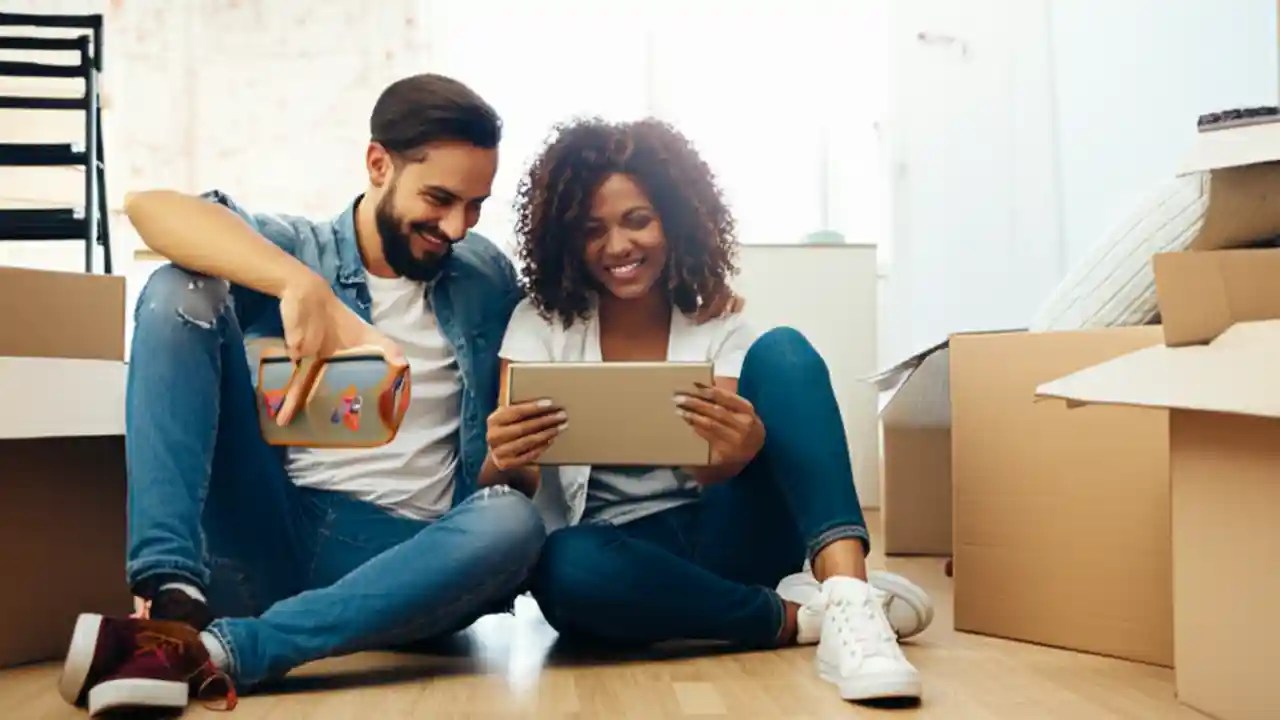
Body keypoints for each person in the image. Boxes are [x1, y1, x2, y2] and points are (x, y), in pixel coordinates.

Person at [56, 74, 547, 716]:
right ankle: (172, 594)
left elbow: (502, 477)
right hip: (272, 530)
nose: (457, 225)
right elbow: (152, 209)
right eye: (440, 198)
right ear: (379, 164)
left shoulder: (486, 278)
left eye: (476, 204)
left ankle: (204, 651)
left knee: (513, 518)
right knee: (182, 290)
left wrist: (515, 459)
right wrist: (299, 286)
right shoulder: (297, 248)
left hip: (403, 560)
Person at [483, 118, 931, 704]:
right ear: (567, 239)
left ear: (675, 217)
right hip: (622, 557)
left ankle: (848, 595)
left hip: (725, 536)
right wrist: (505, 458)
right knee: (566, 569)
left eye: (637, 220)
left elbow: (713, 471)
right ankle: (801, 617)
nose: (617, 246)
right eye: (593, 230)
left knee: (787, 351)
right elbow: (513, 484)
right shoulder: (539, 325)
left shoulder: (719, 323)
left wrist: (737, 452)